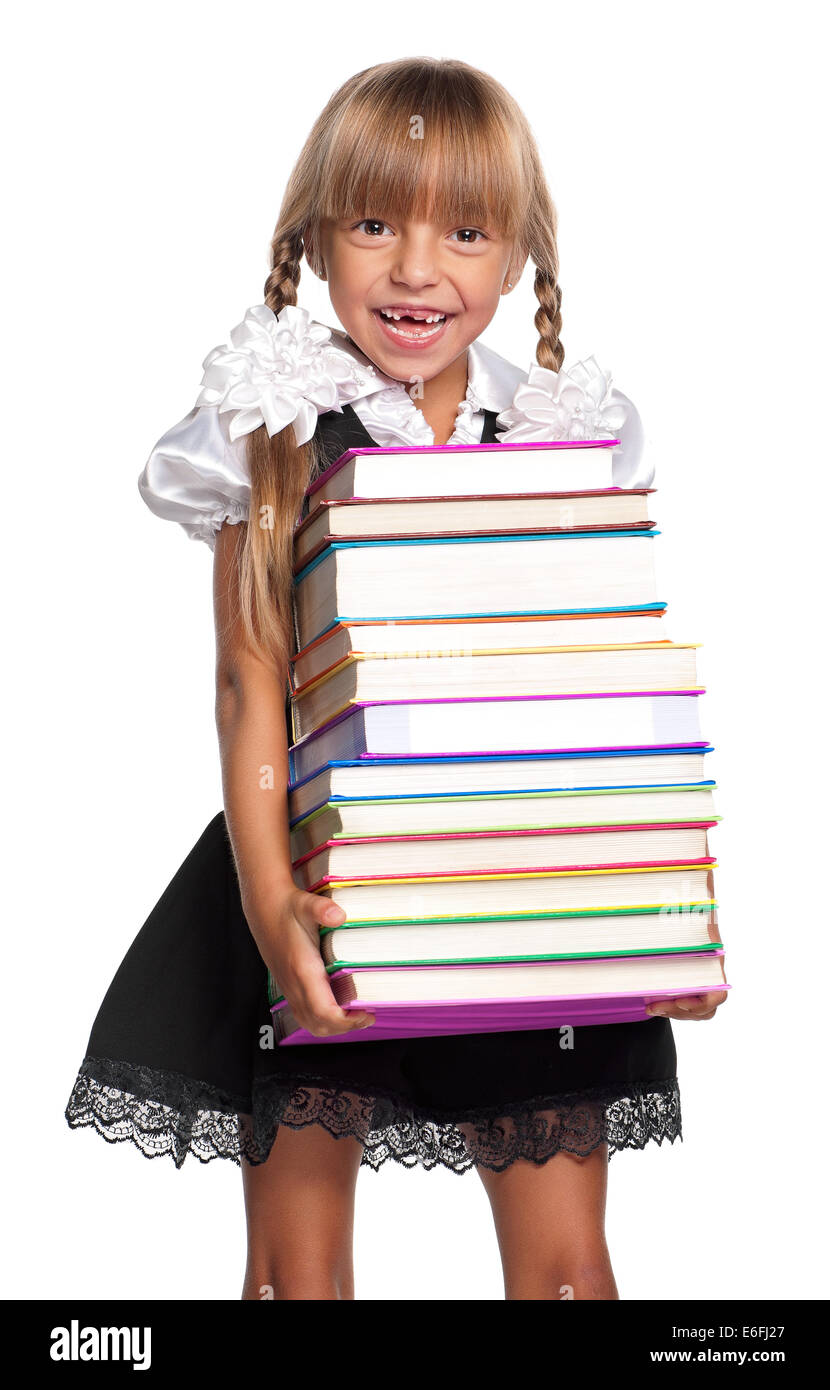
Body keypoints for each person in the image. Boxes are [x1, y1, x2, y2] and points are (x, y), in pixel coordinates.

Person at [64, 56, 726, 1301]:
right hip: (314, 876)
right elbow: (248, 678)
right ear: (315, 239)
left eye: (465, 231)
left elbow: (603, 682)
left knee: (570, 1265)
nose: (417, 268)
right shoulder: (270, 424)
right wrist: (267, 897)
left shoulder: (562, 429)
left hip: (524, 879)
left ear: (518, 252)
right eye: (375, 223)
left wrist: (662, 911)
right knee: (293, 1269)